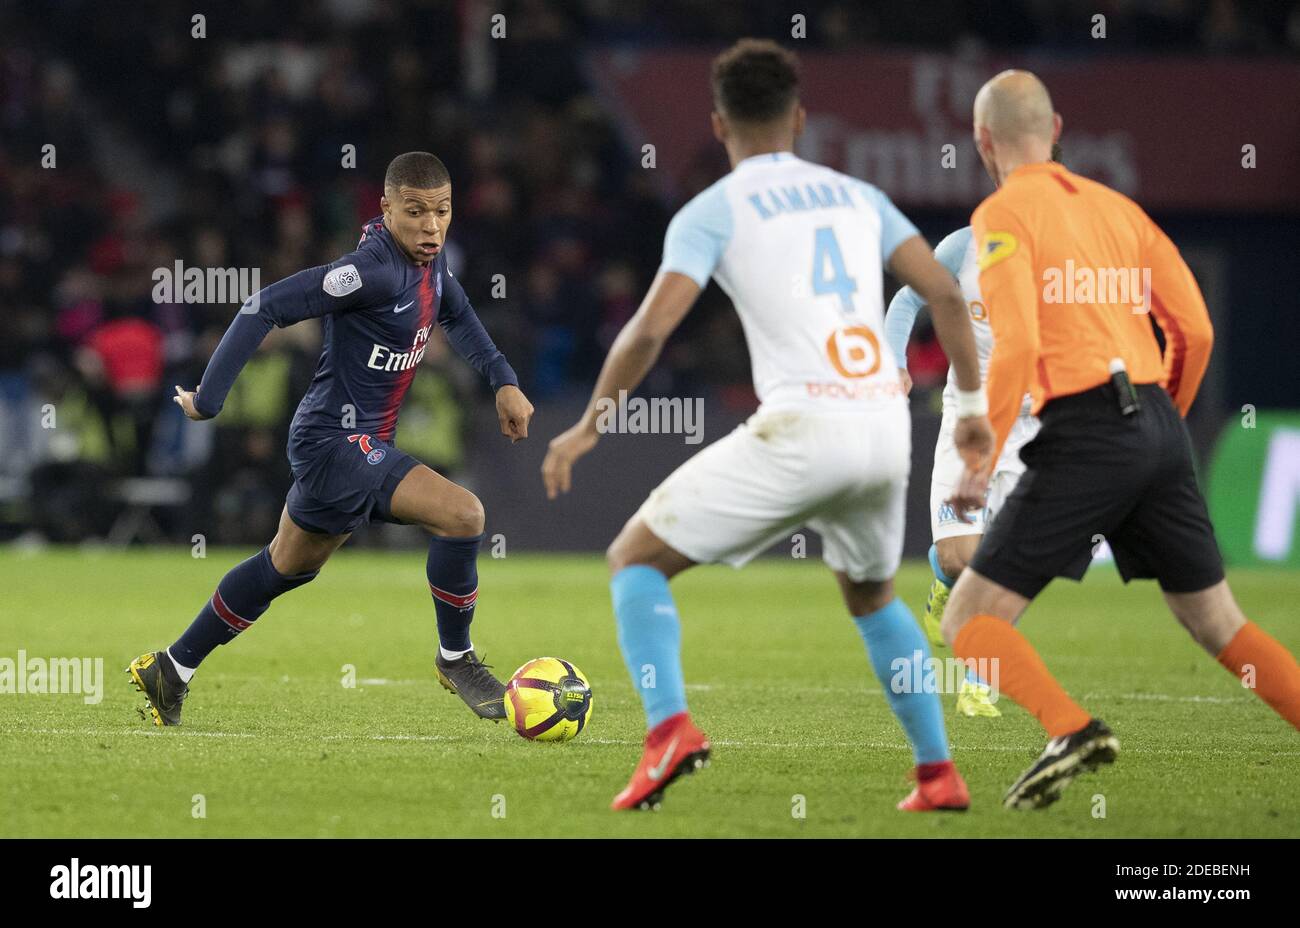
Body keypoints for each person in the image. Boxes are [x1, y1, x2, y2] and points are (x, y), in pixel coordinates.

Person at [542, 40, 994, 812]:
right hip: (884, 428)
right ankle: (938, 773)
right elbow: (947, 298)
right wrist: (974, 411)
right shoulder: (860, 196)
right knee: (874, 596)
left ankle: (669, 731)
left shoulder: (712, 209)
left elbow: (650, 330)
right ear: (801, 118)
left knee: (634, 561)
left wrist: (589, 424)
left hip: (803, 424)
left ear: (719, 124)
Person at [943, 70, 1300, 809]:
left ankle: (1070, 728)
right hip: (1158, 426)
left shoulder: (1002, 213)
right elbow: (1194, 330)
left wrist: (981, 458)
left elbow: (1014, 347)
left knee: (969, 618)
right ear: (1058, 128)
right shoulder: (1121, 210)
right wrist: (1159, 416)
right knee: (1216, 621)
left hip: (1085, 431)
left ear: (983, 140)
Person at [128, 152, 535, 726]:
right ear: (387, 209)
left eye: (441, 211)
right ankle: (456, 658)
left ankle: (172, 667)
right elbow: (264, 305)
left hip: (351, 448)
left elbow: (460, 316)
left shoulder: (431, 266)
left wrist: (503, 382)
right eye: (415, 212)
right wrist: (209, 400)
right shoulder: (369, 270)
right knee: (464, 515)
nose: (431, 226)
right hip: (336, 443)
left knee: (283, 568)